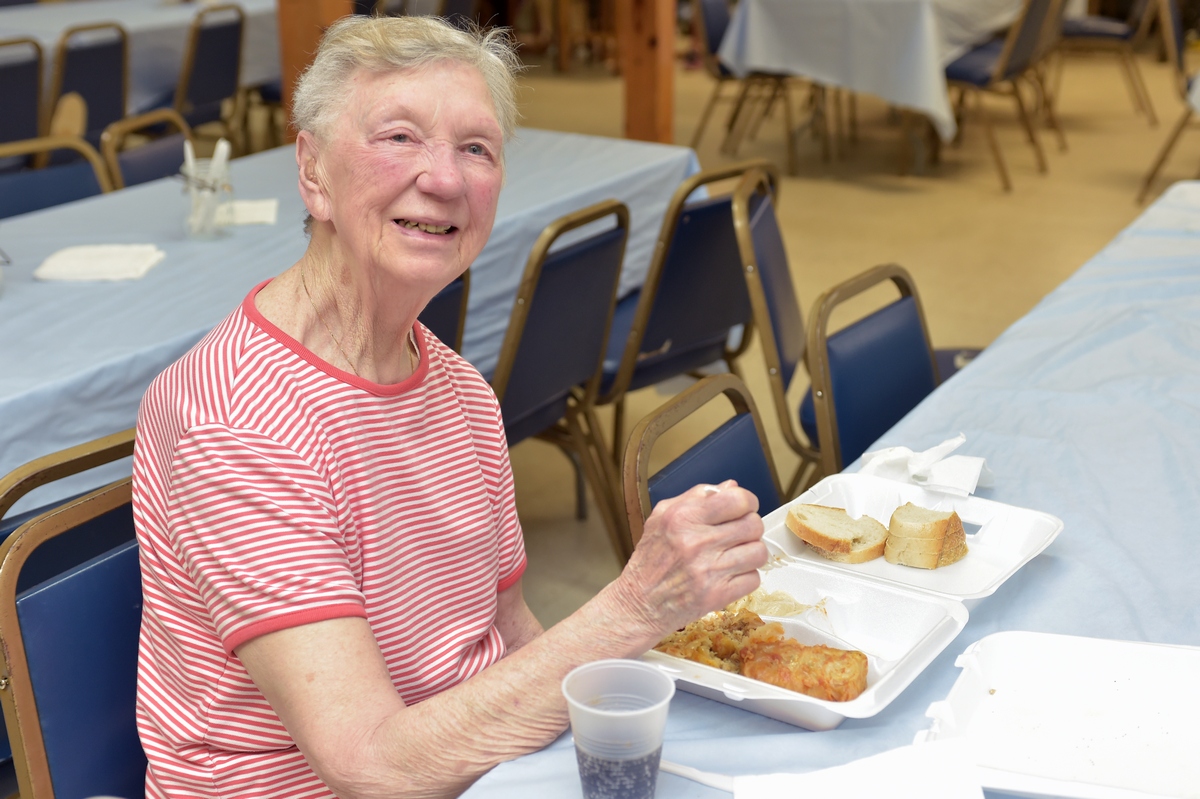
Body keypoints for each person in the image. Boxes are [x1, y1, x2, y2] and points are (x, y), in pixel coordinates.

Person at [132, 14, 766, 799]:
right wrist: (636, 604)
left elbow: (506, 636)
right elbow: (368, 764)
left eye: (477, 148)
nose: (446, 179)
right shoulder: (235, 418)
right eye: (398, 137)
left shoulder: (458, 389)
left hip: (475, 773)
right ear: (313, 171)